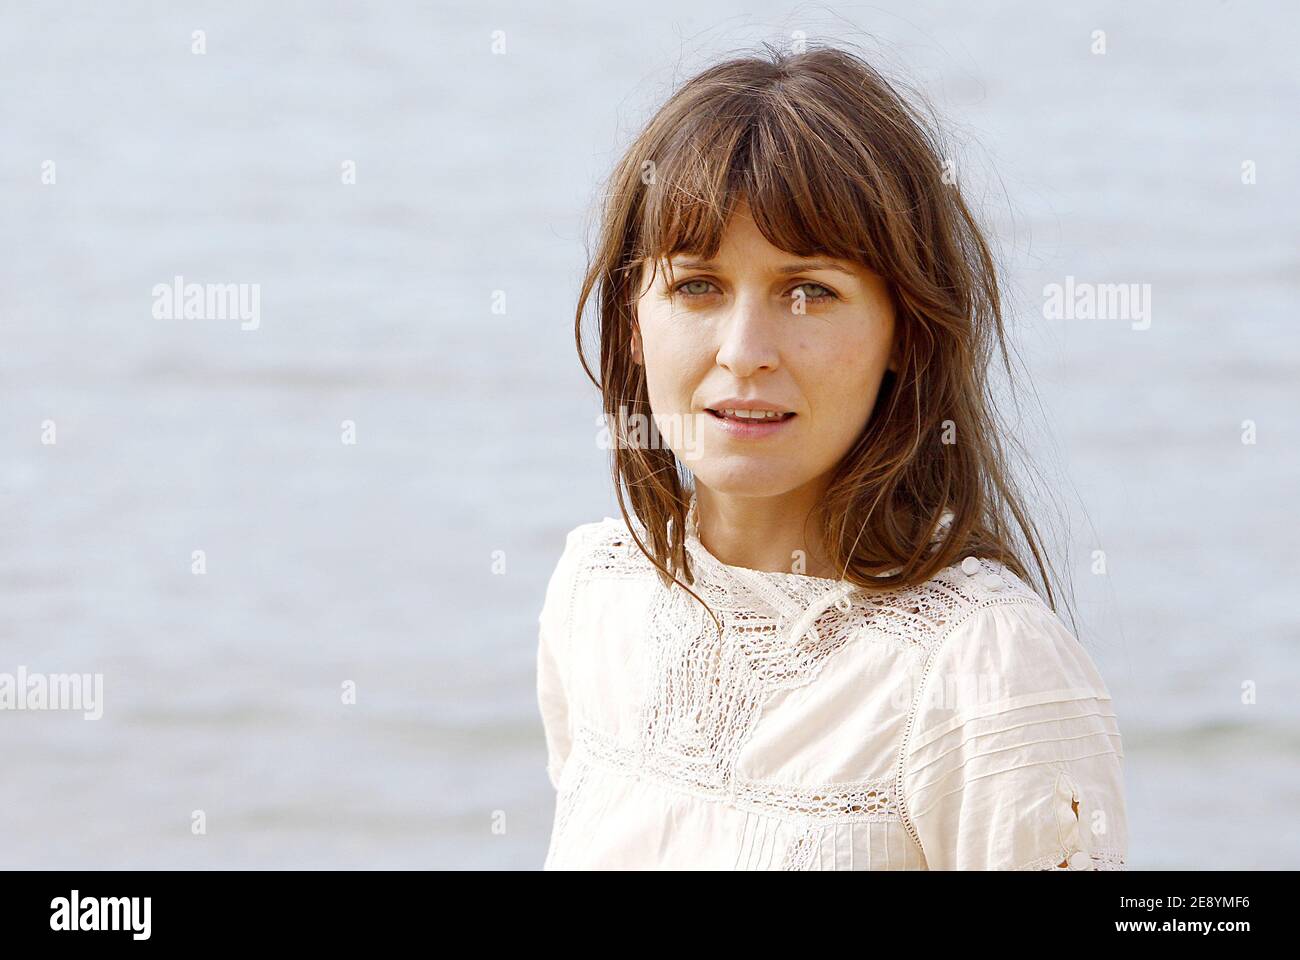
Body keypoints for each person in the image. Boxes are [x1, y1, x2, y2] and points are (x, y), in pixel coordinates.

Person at [536, 42, 1127, 870]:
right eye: (697, 286)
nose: (744, 352)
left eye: (809, 291)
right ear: (634, 324)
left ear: (905, 332)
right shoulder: (594, 598)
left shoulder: (981, 671)